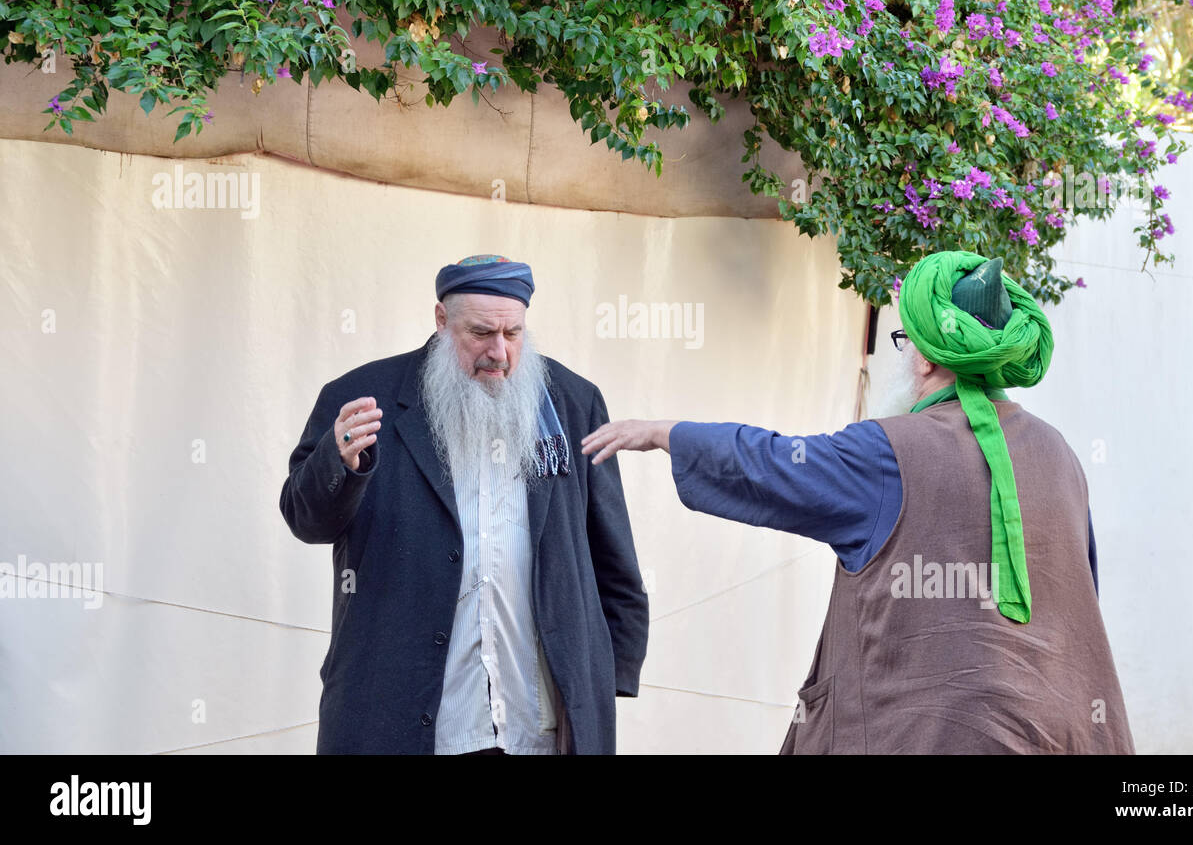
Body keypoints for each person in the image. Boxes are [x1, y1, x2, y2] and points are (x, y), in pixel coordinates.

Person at [581, 250, 1134, 754]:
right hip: (1068, 734)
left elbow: (774, 462)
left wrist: (667, 432)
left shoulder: (890, 450)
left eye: (904, 341)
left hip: (931, 737)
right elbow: (1082, 596)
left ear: (923, 359)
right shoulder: (1058, 452)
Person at [280, 254, 649, 754]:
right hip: (406, 718)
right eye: (480, 333)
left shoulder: (573, 403)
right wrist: (337, 463)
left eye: (513, 333)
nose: (499, 352)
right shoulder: (363, 398)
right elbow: (306, 520)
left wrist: (604, 679)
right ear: (440, 320)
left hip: (538, 720)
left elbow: (612, 554)